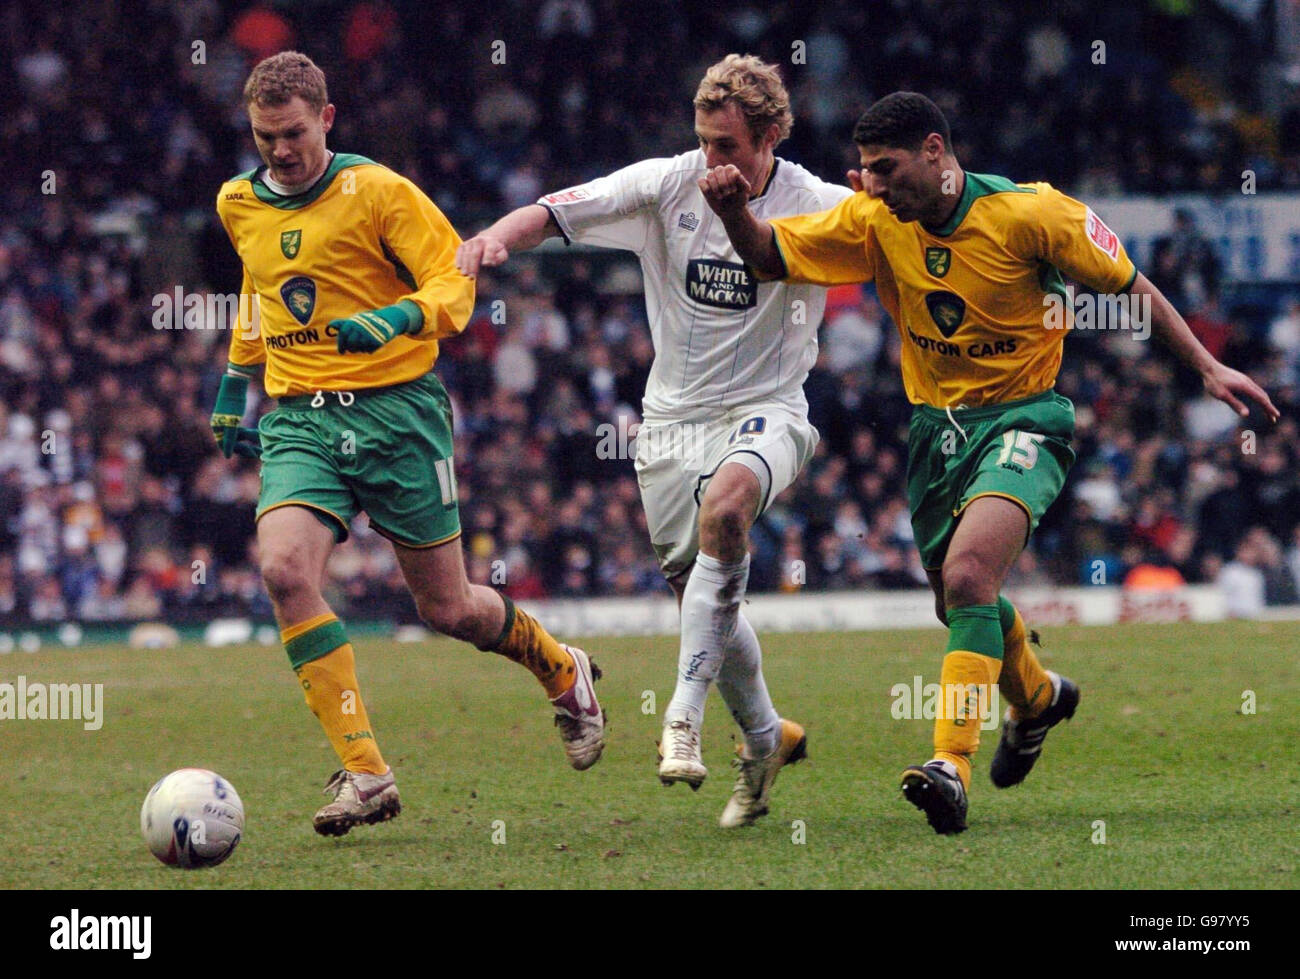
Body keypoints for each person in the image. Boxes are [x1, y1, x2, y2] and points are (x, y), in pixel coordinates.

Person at [700, 91, 1279, 834]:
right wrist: (731, 214)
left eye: (887, 167)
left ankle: (951, 764)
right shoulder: (876, 220)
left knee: (972, 577)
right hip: (934, 433)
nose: (871, 183)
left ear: (937, 152)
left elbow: (1130, 285)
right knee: (956, 601)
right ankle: (1034, 698)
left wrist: (1205, 367)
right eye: (867, 169)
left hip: (1026, 418)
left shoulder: (1032, 215)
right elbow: (768, 254)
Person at [210, 52, 604, 837]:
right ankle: (366, 772)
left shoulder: (380, 190)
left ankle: (562, 667)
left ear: (326, 118)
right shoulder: (236, 200)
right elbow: (257, 288)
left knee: (449, 607)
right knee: (284, 570)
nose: (280, 151)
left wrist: (392, 320)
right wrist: (233, 382)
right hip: (300, 418)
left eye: (293, 134)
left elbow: (454, 279)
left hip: (397, 413)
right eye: (264, 137)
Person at [457, 54, 851, 827]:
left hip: (770, 407)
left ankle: (682, 718)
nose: (713, 160)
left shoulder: (818, 203)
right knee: (706, 602)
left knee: (728, 514)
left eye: (729, 145)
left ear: (771, 135)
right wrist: (491, 241)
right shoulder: (665, 183)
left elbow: (899, 234)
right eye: (705, 141)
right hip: (670, 425)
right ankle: (766, 737)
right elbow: (553, 210)